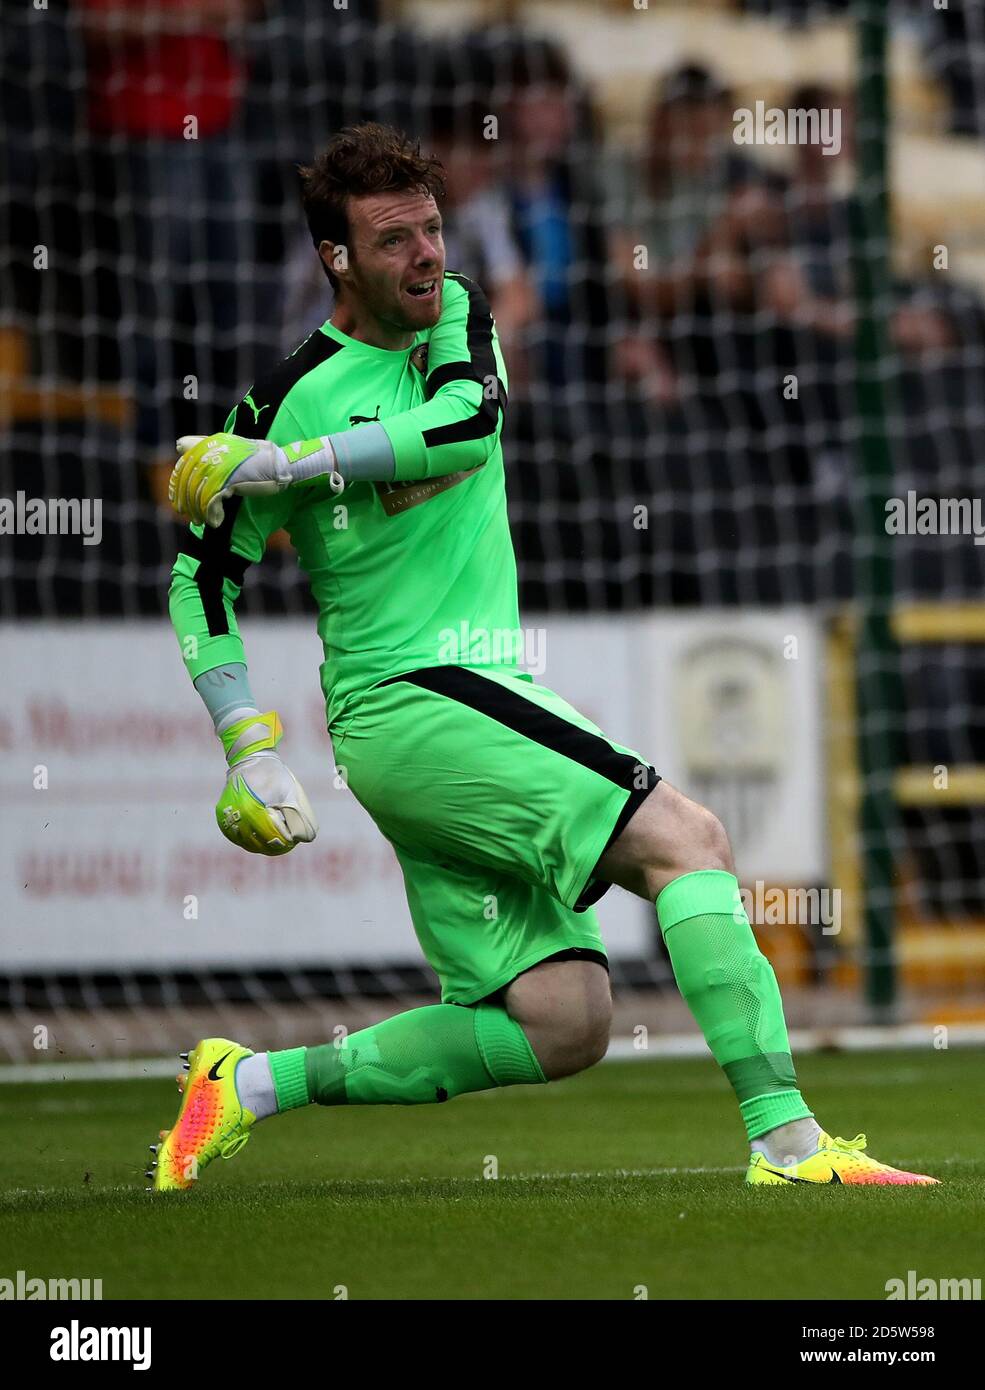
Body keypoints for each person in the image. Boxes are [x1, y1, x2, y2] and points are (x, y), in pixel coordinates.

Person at [151, 122, 936, 1193]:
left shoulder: (445, 327)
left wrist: (286, 465)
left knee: (563, 1019)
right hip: (411, 697)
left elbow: (470, 421)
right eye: (393, 241)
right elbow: (200, 582)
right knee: (688, 840)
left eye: (431, 228)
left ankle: (246, 1084)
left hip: (466, 696)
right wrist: (245, 742)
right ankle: (787, 1143)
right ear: (336, 259)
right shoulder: (281, 399)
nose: (427, 254)